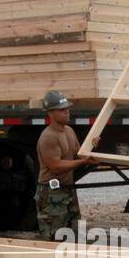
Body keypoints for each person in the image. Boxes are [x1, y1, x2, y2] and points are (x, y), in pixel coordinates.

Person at [34, 91, 91, 241]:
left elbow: (79, 153)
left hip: (67, 190)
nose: (67, 112)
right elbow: (56, 166)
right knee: (54, 238)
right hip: (51, 192)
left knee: (74, 235)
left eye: (67, 108)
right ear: (50, 113)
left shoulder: (69, 131)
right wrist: (83, 162)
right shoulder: (48, 137)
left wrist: (92, 148)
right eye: (62, 109)